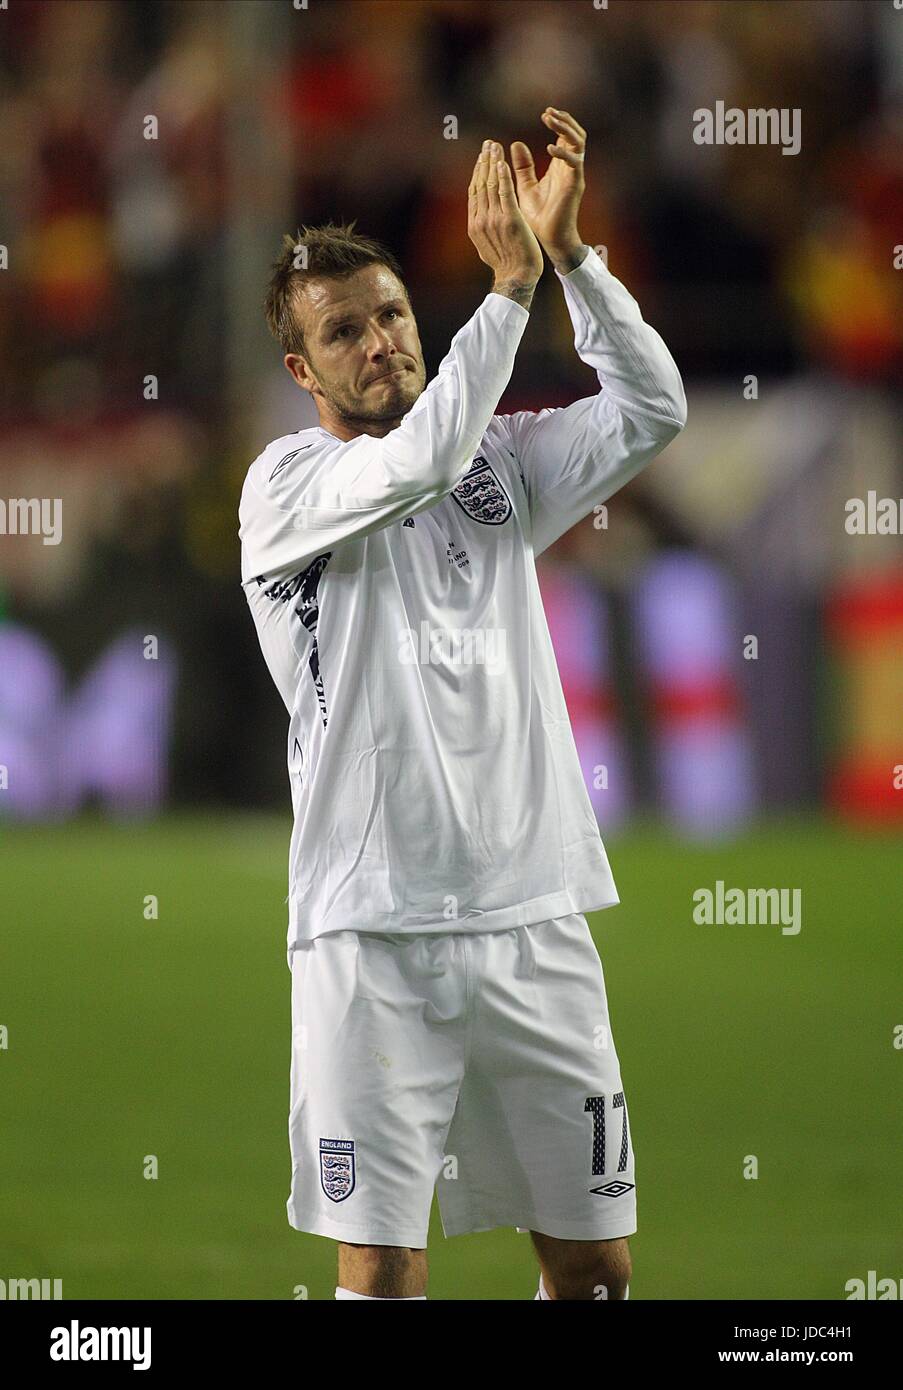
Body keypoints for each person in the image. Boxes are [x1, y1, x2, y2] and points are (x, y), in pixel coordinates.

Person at [239, 109, 686, 1300]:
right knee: (384, 1273)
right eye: (344, 332)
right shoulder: (289, 487)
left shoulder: (500, 459)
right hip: (371, 932)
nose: (380, 340)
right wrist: (508, 290)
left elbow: (653, 412)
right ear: (303, 371)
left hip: (534, 913)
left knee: (594, 1270)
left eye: (390, 313)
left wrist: (575, 263)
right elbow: (415, 463)